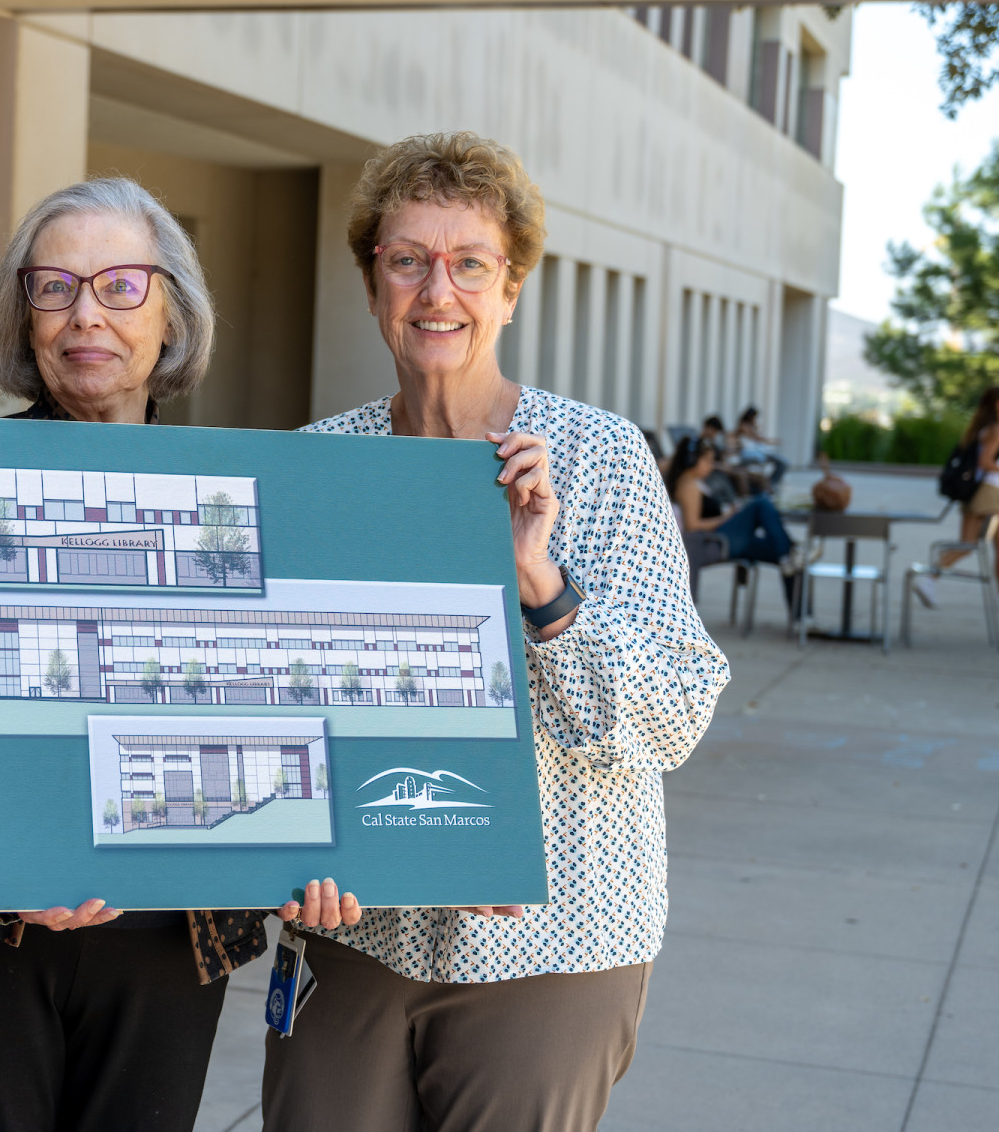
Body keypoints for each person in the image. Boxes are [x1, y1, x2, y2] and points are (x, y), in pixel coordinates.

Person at [0, 177, 359, 1132]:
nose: (87, 314)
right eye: (55, 287)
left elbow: (293, 702)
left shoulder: (244, 502)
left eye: (122, 286)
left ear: (171, 315)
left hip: (170, 940)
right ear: (23, 315)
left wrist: (320, 849)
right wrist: (9, 873)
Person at [271, 132, 729, 1131]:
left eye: (470, 263)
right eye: (408, 259)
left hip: (553, 945)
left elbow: (675, 717)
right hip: (356, 936)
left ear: (511, 289)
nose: (439, 289)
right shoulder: (317, 465)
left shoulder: (600, 459)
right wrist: (279, 853)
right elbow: (276, 699)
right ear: (373, 283)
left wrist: (542, 582)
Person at [914, 385, 999, 609]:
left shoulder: (980, 428)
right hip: (989, 495)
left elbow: (986, 467)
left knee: (967, 545)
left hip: (979, 492)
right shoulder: (997, 429)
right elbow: (986, 464)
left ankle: (929, 579)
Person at [667, 436, 802, 607]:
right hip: (715, 541)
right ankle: (786, 557)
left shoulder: (696, 483)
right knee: (761, 504)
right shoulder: (688, 486)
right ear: (692, 460)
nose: (711, 465)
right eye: (707, 460)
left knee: (791, 553)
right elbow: (692, 526)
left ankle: (801, 616)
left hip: (721, 536)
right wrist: (725, 517)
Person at [735, 405, 789, 488]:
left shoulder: (750, 426)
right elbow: (757, 438)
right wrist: (772, 441)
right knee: (781, 462)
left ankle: (771, 483)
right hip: (753, 452)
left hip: (759, 451)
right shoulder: (744, 426)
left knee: (782, 463)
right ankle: (771, 484)